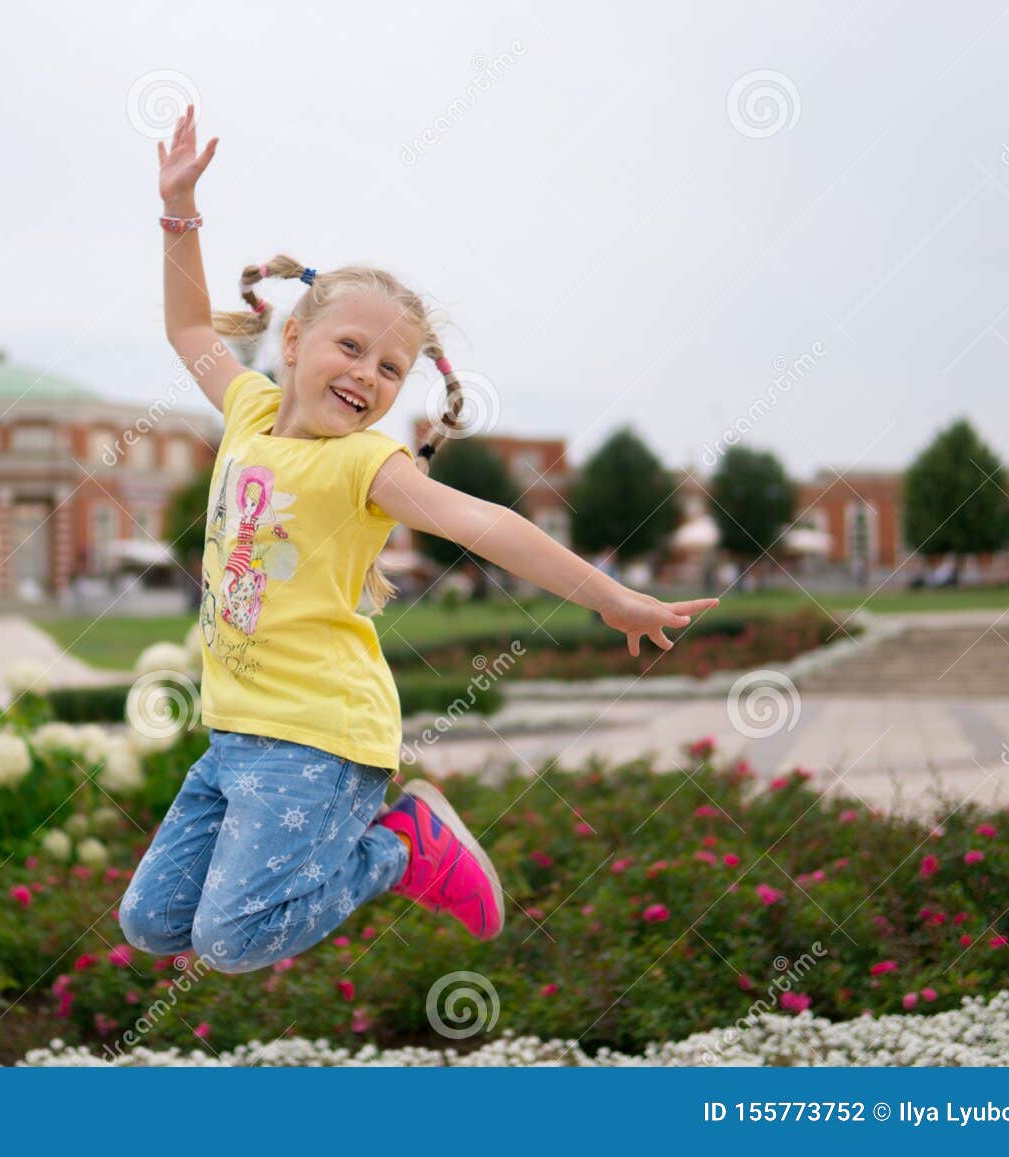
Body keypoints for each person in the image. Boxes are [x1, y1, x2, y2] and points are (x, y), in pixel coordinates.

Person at [116, 107, 720, 975]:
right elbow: (187, 329)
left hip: (321, 738)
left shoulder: (365, 463)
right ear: (294, 341)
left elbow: (489, 524)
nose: (366, 374)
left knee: (229, 939)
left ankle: (406, 844)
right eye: (350, 347)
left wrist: (612, 596)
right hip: (234, 730)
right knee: (151, 922)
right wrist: (179, 208)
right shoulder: (249, 411)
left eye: (390, 368)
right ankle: (331, 872)